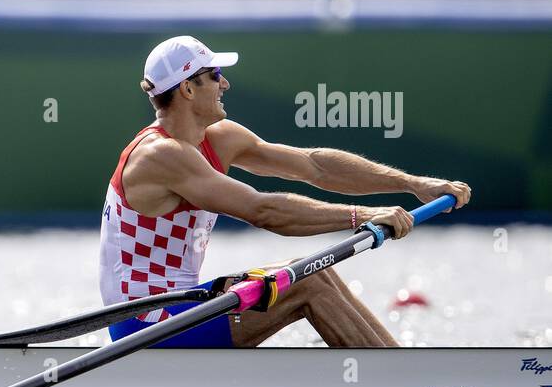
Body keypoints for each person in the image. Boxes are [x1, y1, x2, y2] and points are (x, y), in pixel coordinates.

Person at [100, 35, 471, 347]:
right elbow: (264, 211)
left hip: (185, 305)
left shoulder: (217, 139)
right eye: (215, 75)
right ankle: (405, 383)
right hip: (145, 325)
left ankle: (396, 367)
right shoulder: (160, 156)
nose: (225, 84)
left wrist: (412, 183)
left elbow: (315, 166)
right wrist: (366, 216)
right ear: (187, 88)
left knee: (313, 270)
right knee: (307, 279)